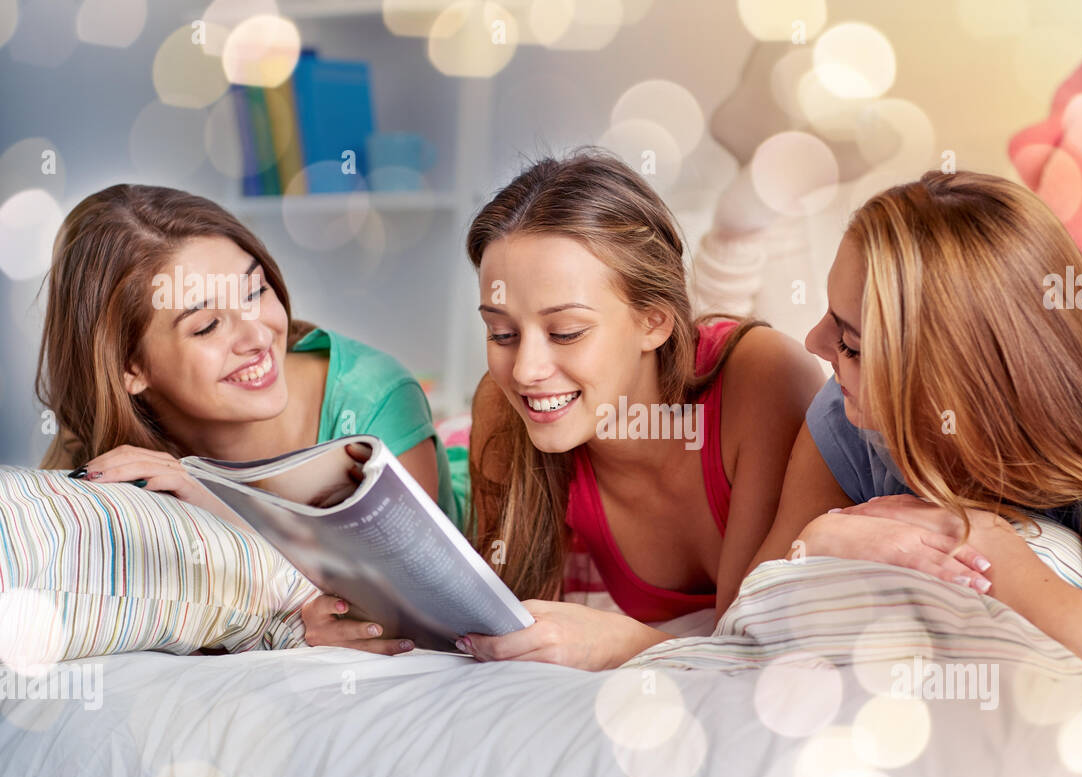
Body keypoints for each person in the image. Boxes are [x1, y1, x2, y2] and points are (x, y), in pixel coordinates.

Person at [750, 170, 1082, 678]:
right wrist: (818, 538)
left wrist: (970, 531)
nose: (814, 344)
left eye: (850, 344)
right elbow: (747, 604)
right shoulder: (847, 420)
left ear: (953, 386)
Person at [36, 183, 462, 654]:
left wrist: (222, 513)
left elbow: (411, 616)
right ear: (129, 368)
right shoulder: (112, 457)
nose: (257, 336)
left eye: (255, 291)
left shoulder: (373, 396)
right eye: (208, 326)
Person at [458, 149, 826, 670]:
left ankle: (744, 223)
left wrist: (619, 643)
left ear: (654, 321)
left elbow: (753, 652)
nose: (524, 370)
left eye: (566, 332)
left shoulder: (768, 377)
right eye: (502, 332)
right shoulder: (501, 407)